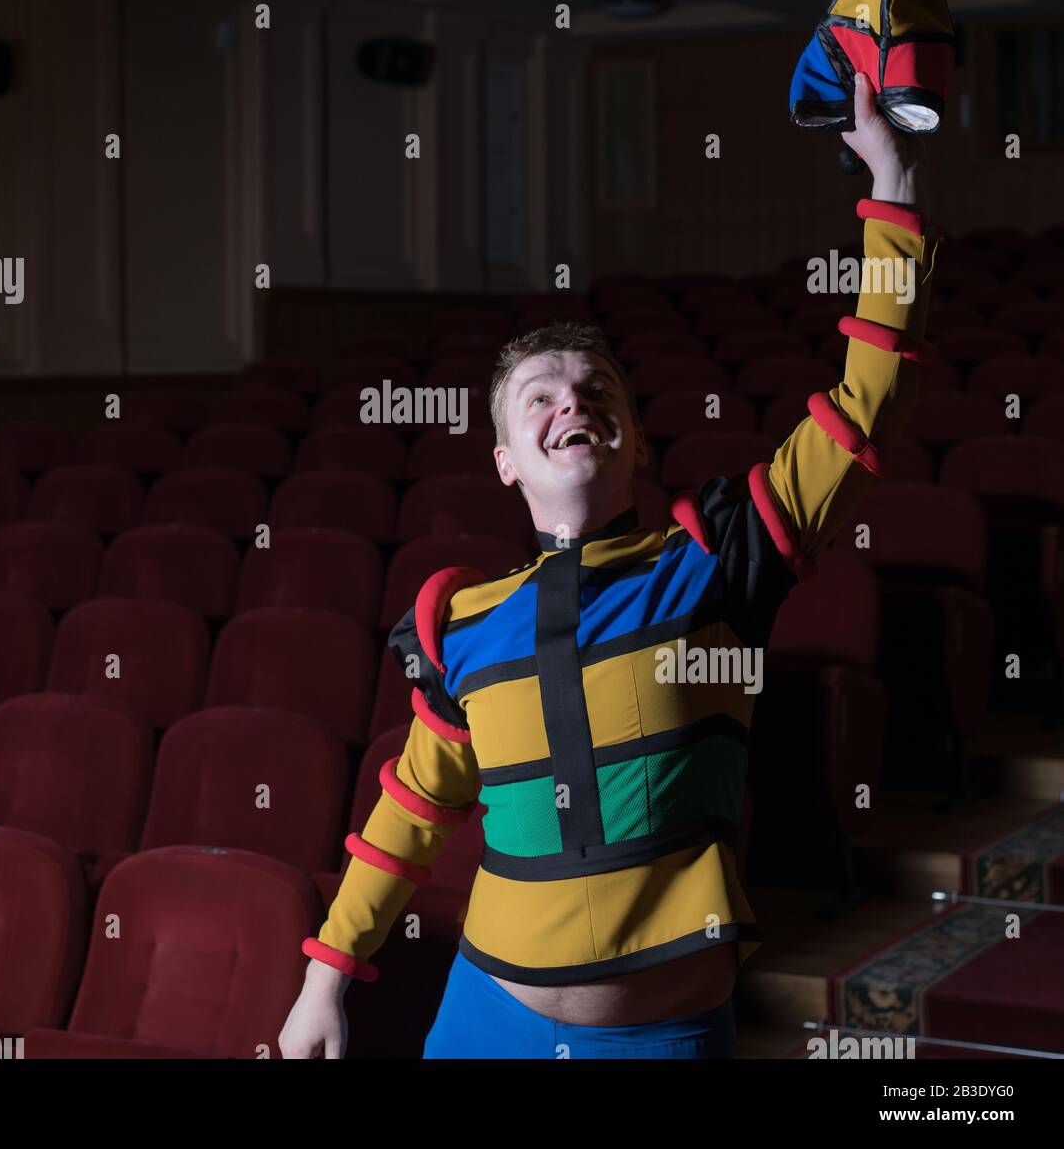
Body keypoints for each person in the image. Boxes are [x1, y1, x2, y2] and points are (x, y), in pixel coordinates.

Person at [278, 72, 939, 1058]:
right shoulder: (458, 624)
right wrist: (324, 979)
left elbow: (865, 397)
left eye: (596, 391)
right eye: (537, 395)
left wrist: (888, 182)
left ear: (630, 440)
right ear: (504, 459)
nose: (569, 401)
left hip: (659, 1033)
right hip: (481, 1021)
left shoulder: (719, 559)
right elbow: (410, 810)